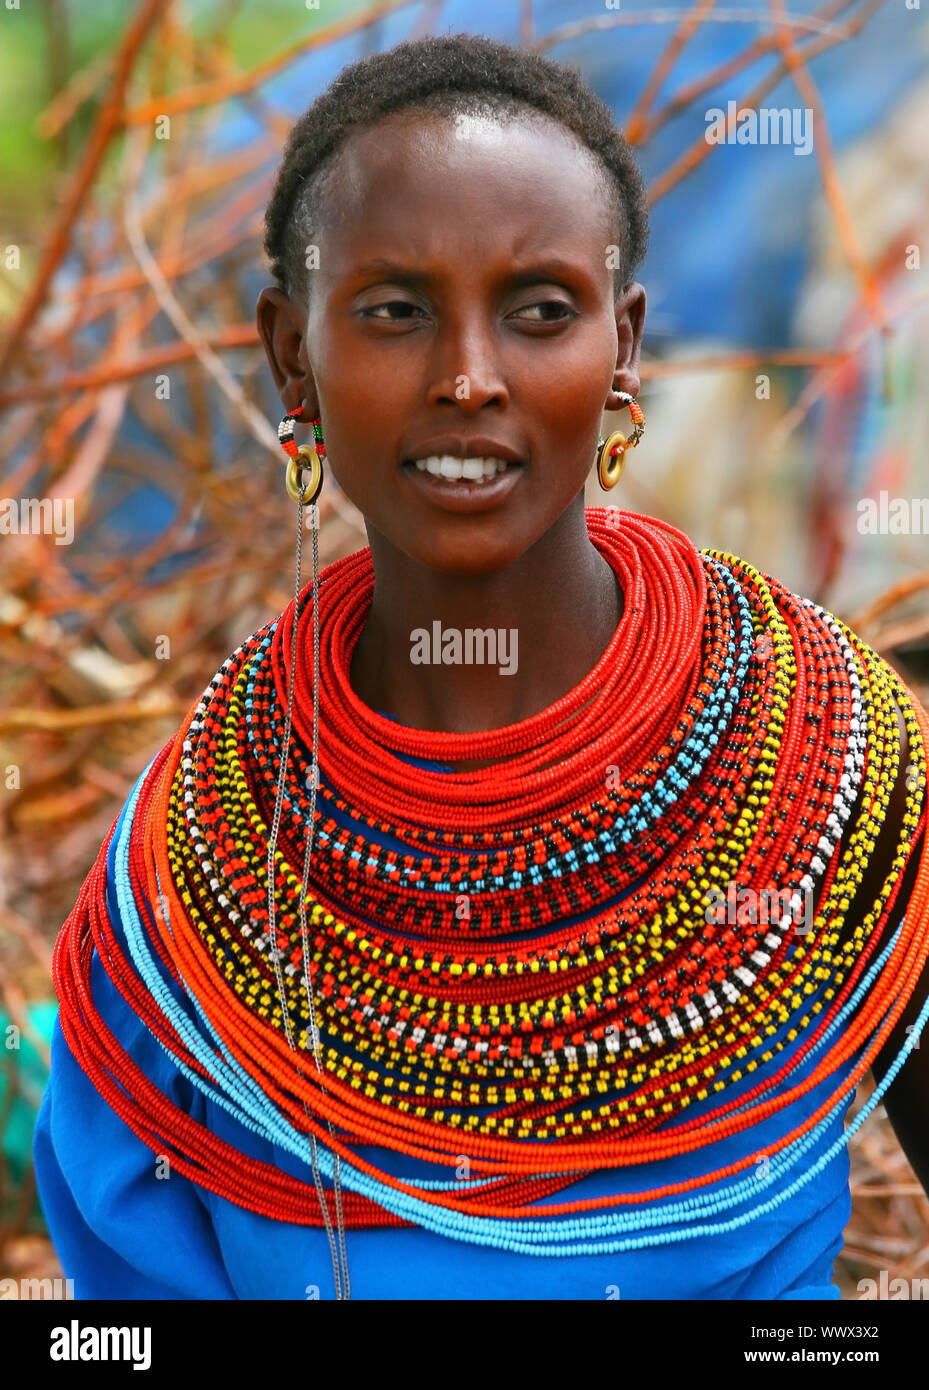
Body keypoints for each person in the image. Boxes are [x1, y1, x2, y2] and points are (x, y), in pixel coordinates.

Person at [33, 32, 929, 1301]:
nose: (467, 377)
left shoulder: (828, 777)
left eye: (539, 312)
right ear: (293, 356)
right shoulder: (189, 878)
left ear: (623, 352)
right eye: (394, 311)